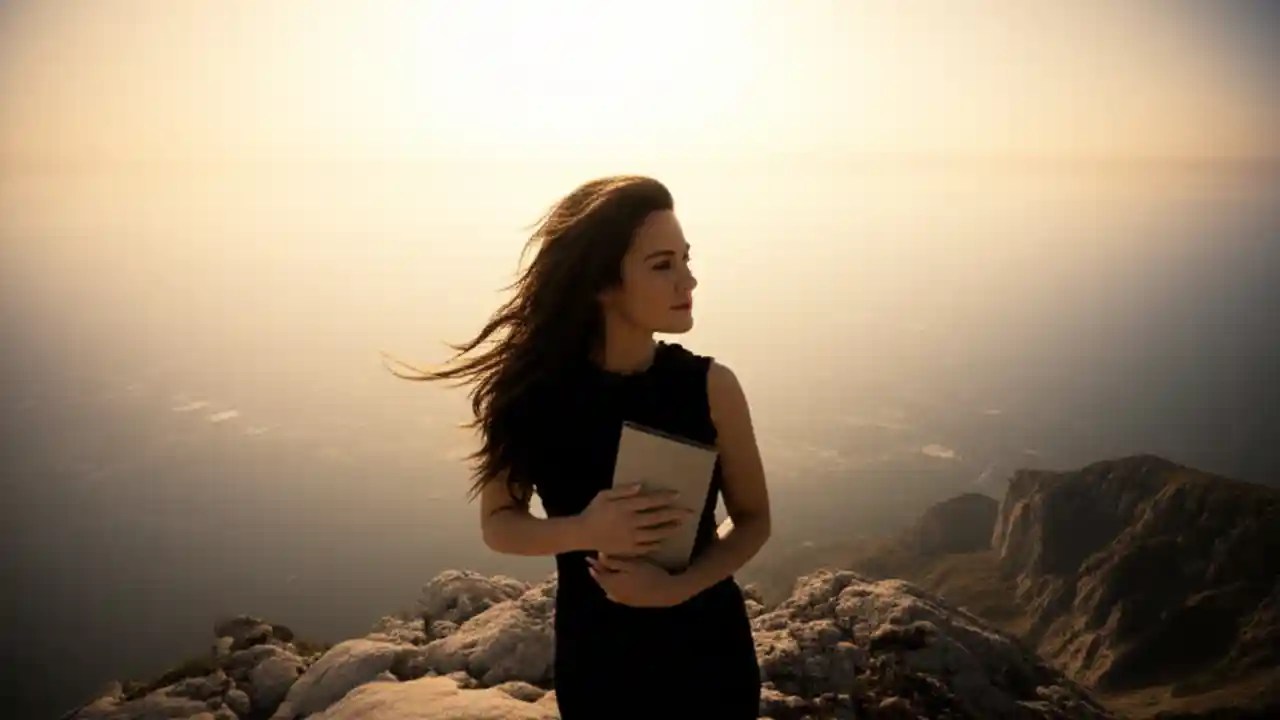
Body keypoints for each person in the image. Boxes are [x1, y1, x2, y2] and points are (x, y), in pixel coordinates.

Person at [381, 175, 771, 718]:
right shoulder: (529, 397)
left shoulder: (711, 387)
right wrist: (585, 530)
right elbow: (500, 523)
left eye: (685, 259)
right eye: (663, 265)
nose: (690, 280)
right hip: (598, 664)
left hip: (710, 657)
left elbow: (753, 520)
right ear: (601, 283)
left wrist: (675, 590)